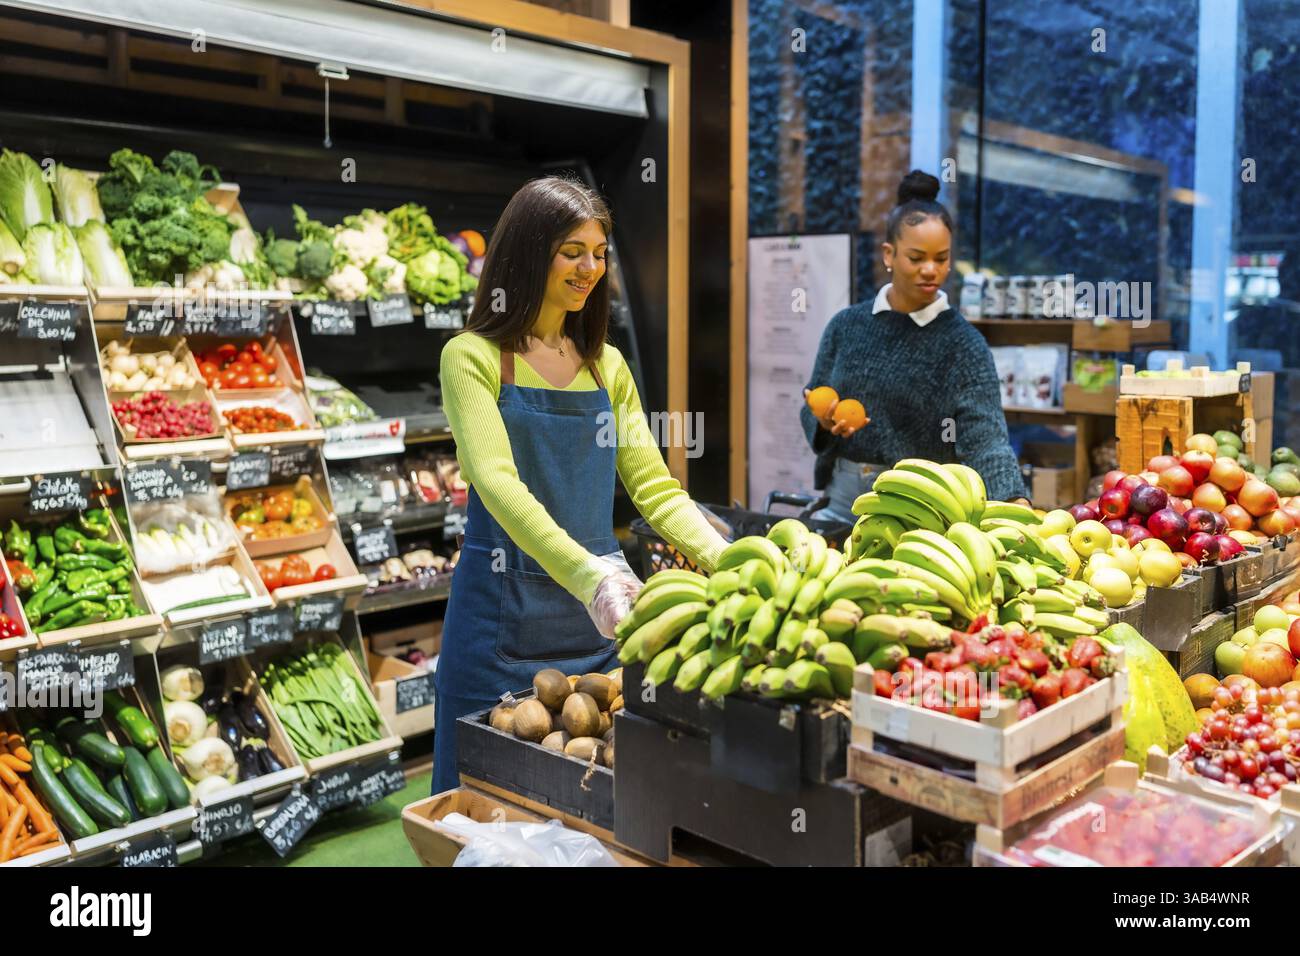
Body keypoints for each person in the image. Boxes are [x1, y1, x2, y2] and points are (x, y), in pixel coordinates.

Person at [432, 176, 727, 793]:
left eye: (600, 252)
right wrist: (590, 577)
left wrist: (730, 563)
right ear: (530, 251)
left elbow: (656, 489)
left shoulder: (606, 366)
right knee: (483, 803)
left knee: (596, 802)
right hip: (499, 624)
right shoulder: (472, 356)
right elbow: (496, 482)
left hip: (600, 632)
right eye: (573, 251)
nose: (591, 267)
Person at [801, 169, 1027, 522]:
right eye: (917, 257)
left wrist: (1013, 498)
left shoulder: (963, 344)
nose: (930, 270)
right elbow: (813, 398)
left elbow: (985, 436)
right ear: (889, 255)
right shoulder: (846, 326)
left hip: (920, 507)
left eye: (941, 258)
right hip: (843, 499)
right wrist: (824, 421)